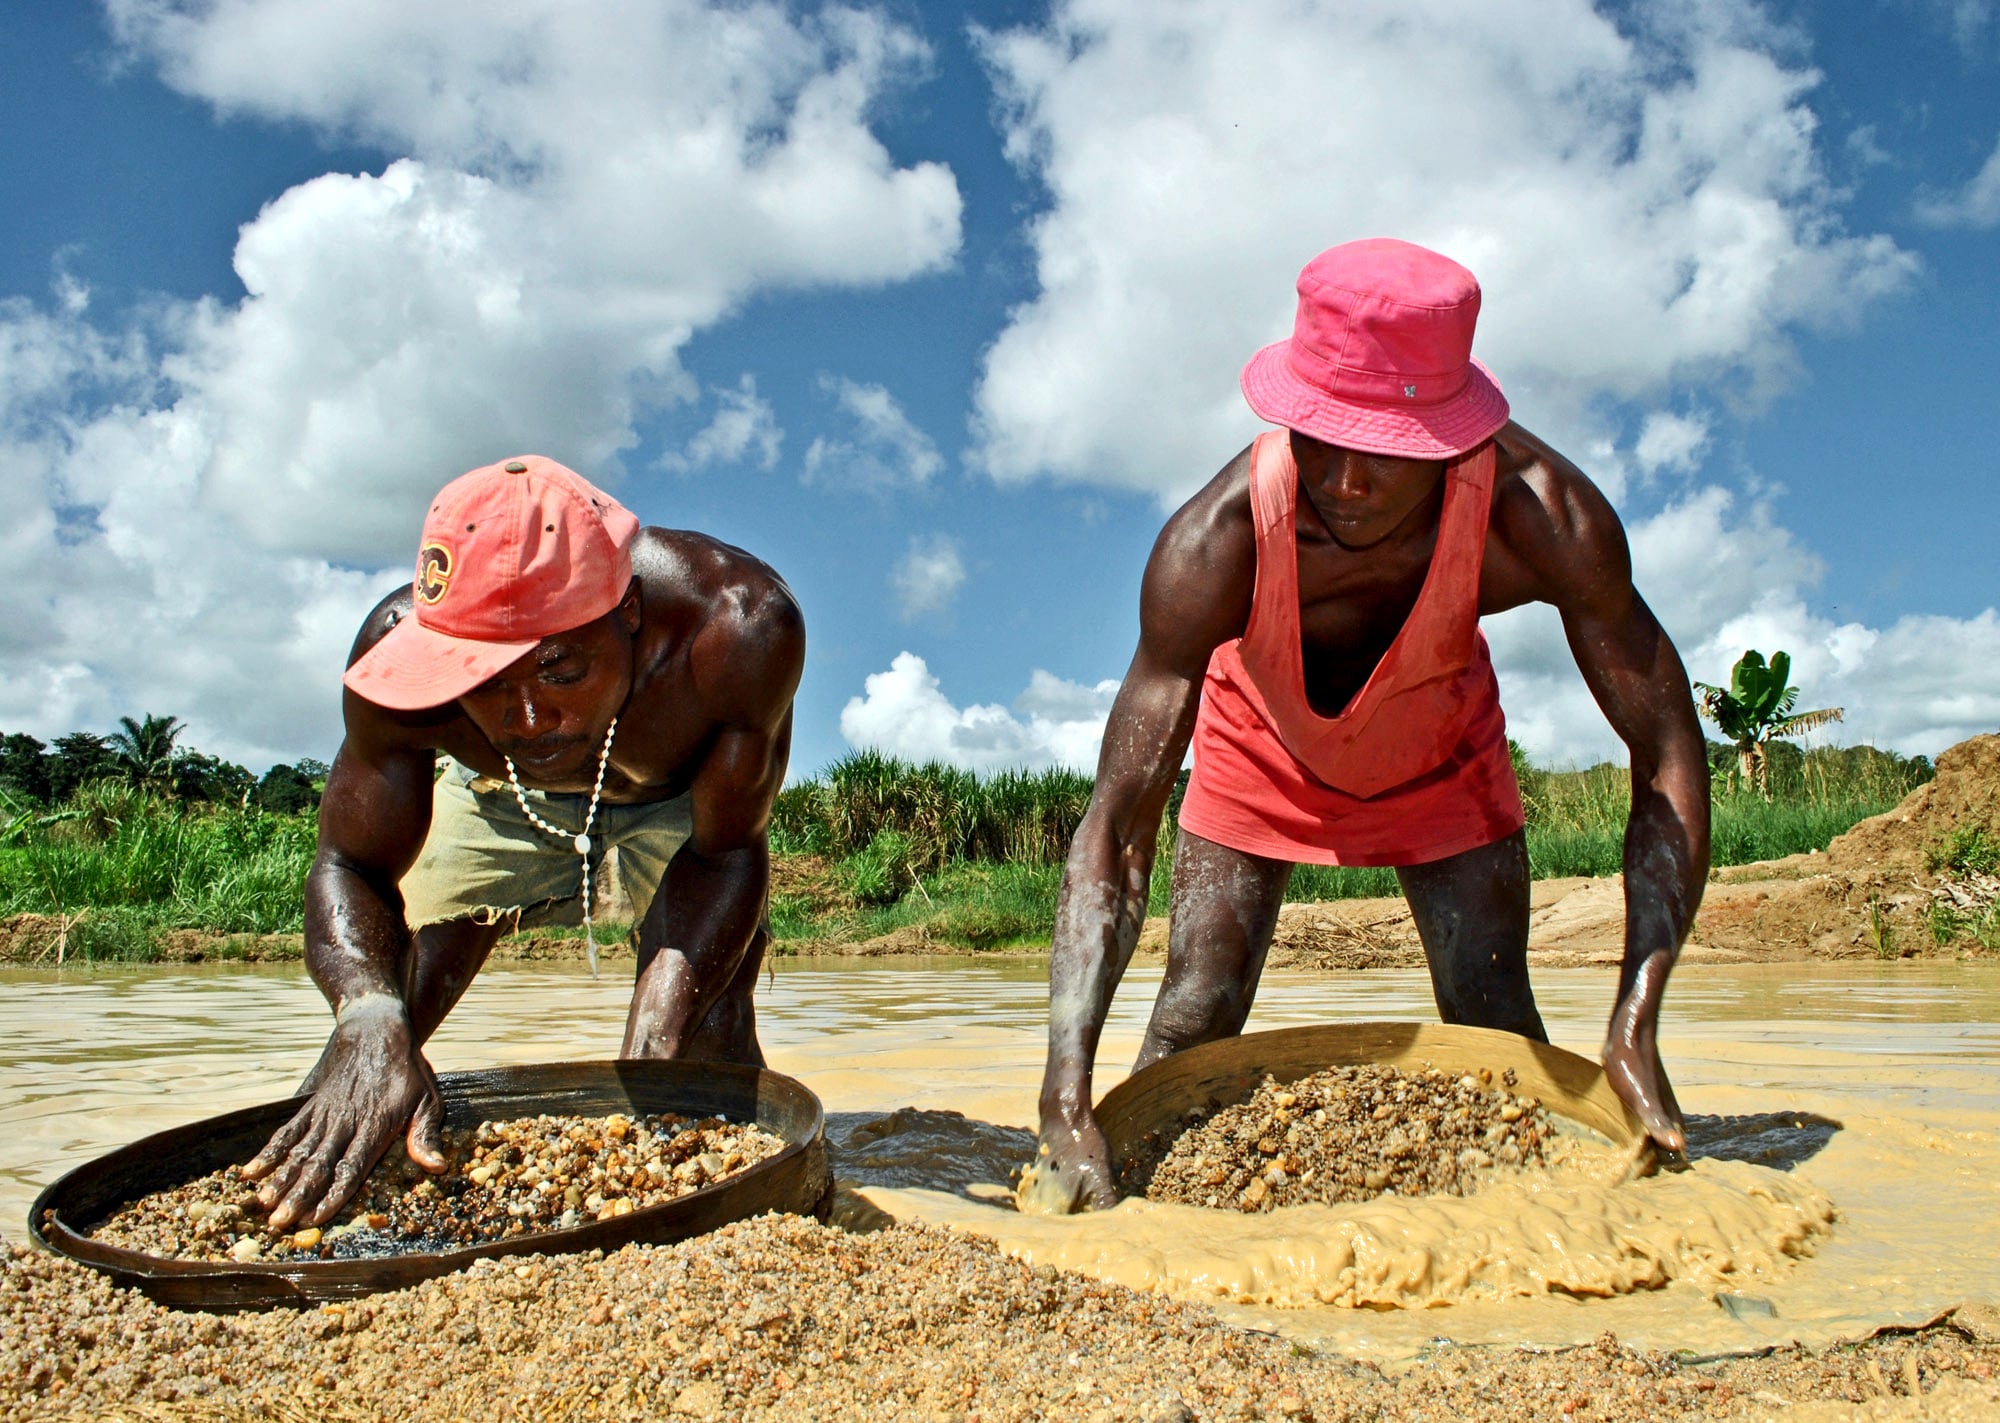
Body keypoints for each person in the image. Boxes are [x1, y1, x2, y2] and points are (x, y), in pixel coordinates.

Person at [1029, 238, 1710, 1212]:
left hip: (1440, 755)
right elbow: (1116, 824)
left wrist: (1632, 1026)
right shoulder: (1210, 544)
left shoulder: (1539, 518)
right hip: (1257, 749)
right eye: (1320, 438)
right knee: (1193, 1012)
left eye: (1386, 450)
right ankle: (1135, 1211)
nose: (1344, 481)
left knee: (1493, 1024)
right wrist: (1063, 1090)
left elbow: (1666, 752)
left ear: (1450, 435)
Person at [243, 455, 803, 1231]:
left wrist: (649, 1056)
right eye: (485, 679)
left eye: (561, 668)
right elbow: (351, 863)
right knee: (391, 1006)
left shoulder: (738, 630)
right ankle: (330, 1145)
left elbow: (725, 852)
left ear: (629, 610)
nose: (529, 719)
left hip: (675, 806)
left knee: (696, 1034)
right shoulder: (395, 657)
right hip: (502, 799)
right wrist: (366, 1015)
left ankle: (762, 1213)